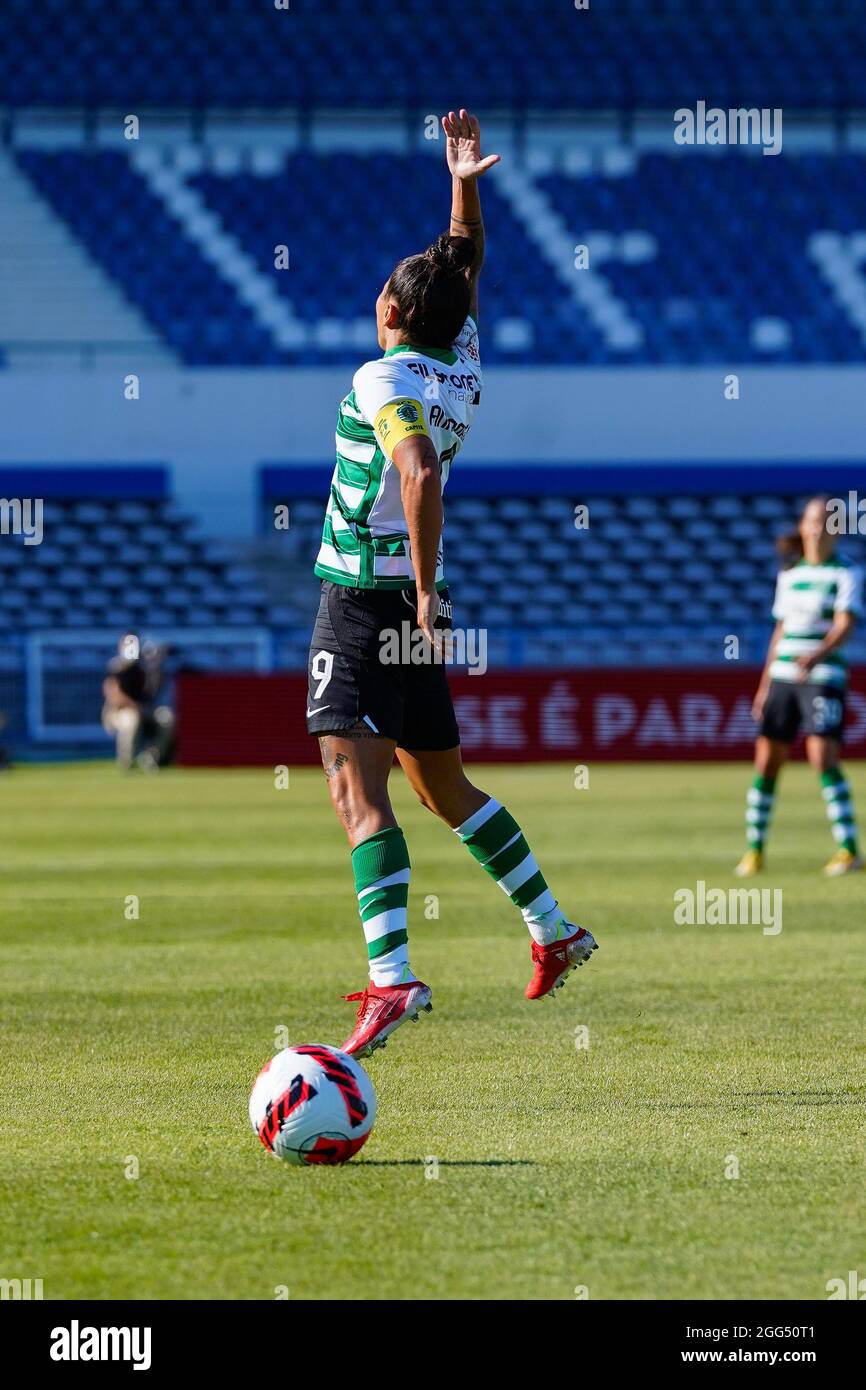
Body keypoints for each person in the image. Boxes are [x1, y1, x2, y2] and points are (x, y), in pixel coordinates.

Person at [306, 110, 598, 1059]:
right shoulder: (460, 365)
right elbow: (460, 268)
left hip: (363, 600)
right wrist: (464, 183)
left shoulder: (384, 376)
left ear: (392, 311)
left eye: (386, 288)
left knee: (357, 791)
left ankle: (392, 982)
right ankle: (552, 925)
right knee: (443, 787)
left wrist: (427, 591)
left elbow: (418, 472)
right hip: (410, 611)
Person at [736, 495, 863, 877]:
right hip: (783, 678)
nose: (818, 528)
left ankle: (849, 848)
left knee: (823, 757)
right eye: (813, 521)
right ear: (804, 526)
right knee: (766, 761)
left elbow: (845, 624)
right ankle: (755, 850)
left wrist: (818, 655)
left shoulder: (847, 573)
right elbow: (780, 631)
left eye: (826, 522)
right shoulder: (790, 575)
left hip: (823, 678)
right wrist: (764, 684)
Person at [101, 636, 175, 771]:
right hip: (118, 712)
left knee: (166, 717)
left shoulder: (144, 669)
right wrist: (135, 706)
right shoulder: (117, 668)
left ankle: (153, 756)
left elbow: (149, 695)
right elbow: (114, 697)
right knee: (131, 718)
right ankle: (127, 762)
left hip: (142, 710)